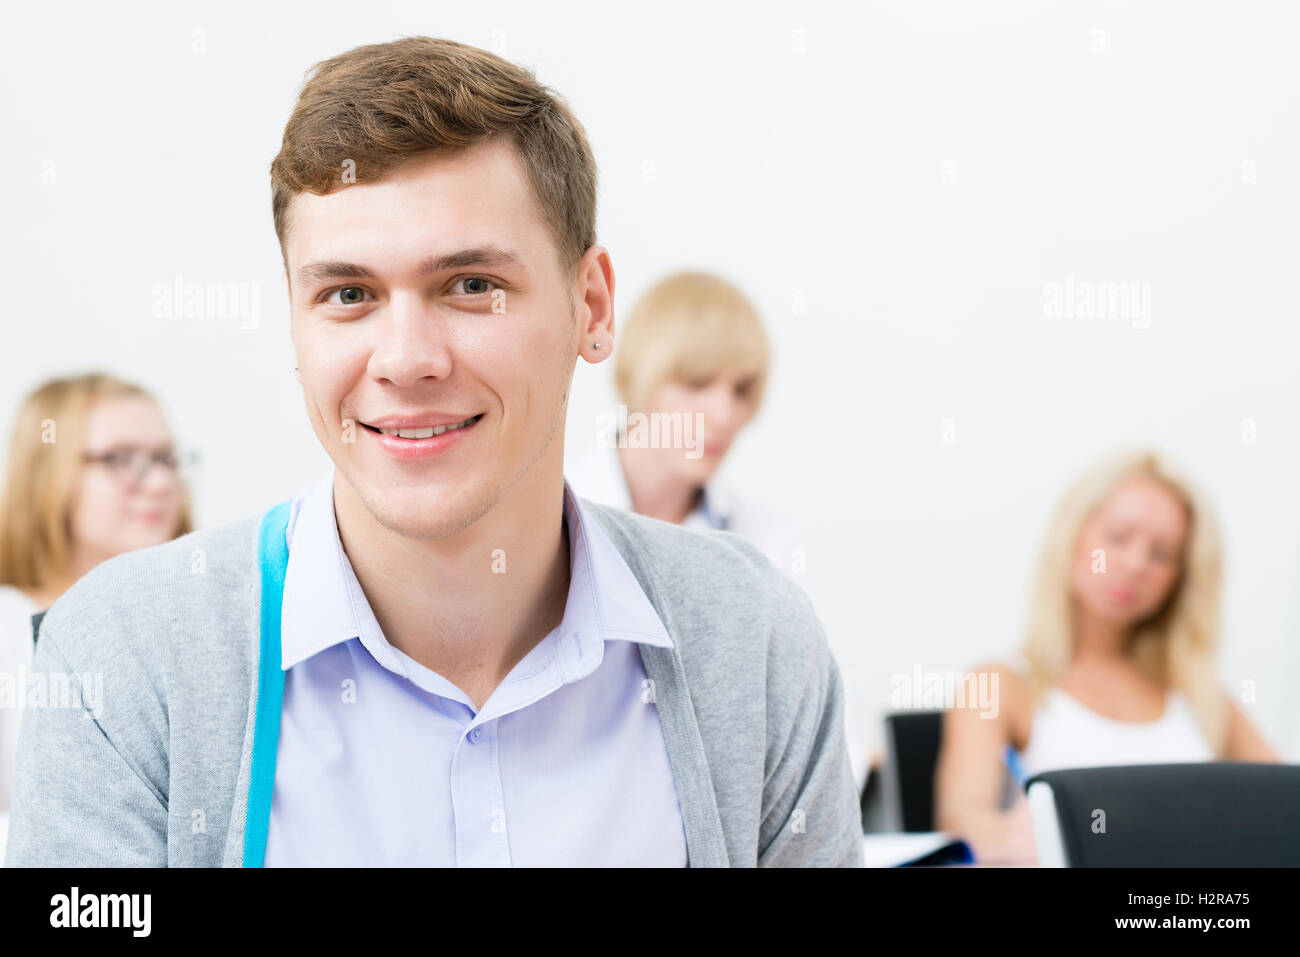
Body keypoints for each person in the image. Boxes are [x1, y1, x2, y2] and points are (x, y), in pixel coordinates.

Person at [5, 36, 862, 867]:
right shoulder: (127, 657)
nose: (407, 358)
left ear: (592, 307)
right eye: (348, 294)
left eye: (471, 285)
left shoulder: (753, 646)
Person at [933, 450, 1278, 864]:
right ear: (1071, 538)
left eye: (1161, 555)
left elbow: (1281, 805)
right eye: (1117, 537)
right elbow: (963, 821)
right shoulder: (997, 685)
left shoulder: (1199, 695)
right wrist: (1014, 842)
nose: (1135, 564)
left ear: (1179, 580)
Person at [0, 373, 192, 858]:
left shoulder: (199, 626)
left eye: (167, 459)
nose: (162, 482)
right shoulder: (9, 626)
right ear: (48, 474)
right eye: (122, 460)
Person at [570, 270, 795, 573]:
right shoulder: (554, 515)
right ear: (640, 379)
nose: (724, 415)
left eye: (741, 390)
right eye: (698, 382)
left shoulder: (762, 541)